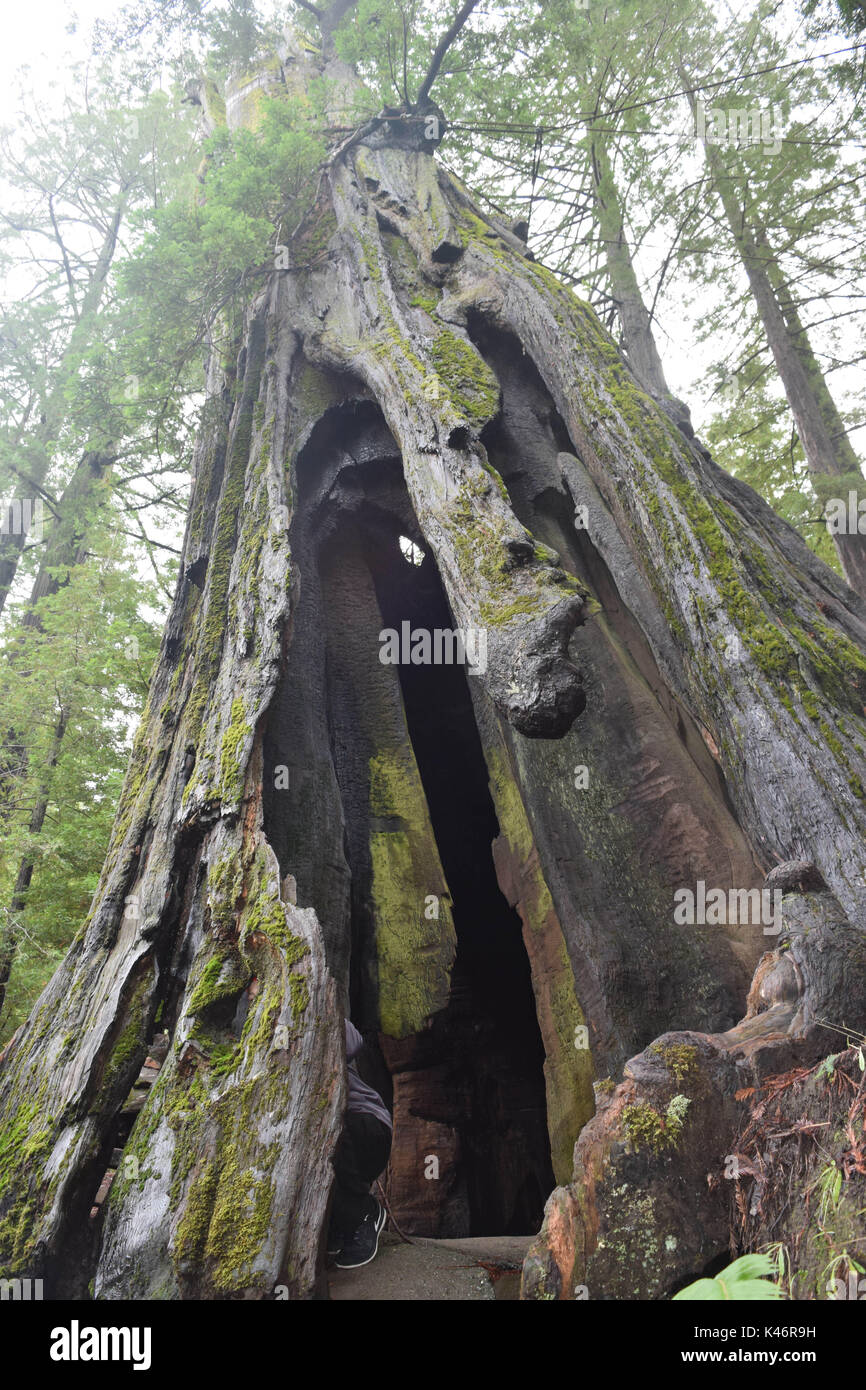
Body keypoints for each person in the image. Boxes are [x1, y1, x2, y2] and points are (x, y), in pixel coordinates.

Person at [328, 1019, 393, 1269]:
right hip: (323, 1139)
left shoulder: (304, 1005)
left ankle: (363, 1214)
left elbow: (353, 1042)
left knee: (330, 1130)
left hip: (365, 1126)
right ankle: (340, 1222)